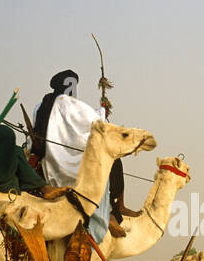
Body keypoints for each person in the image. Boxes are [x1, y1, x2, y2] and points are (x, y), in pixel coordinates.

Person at [31, 69, 130, 239]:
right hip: (70, 163)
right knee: (114, 159)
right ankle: (114, 211)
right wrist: (102, 112)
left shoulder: (39, 106)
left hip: (47, 160)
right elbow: (96, 125)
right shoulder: (71, 104)